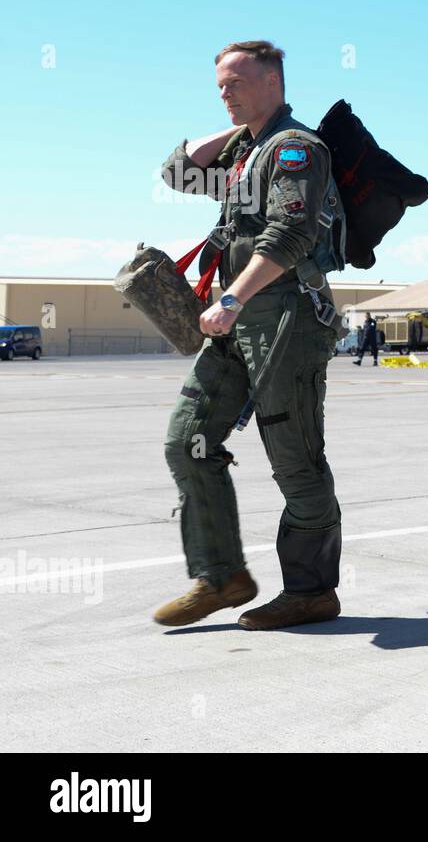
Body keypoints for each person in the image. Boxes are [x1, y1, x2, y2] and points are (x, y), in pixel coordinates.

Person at [153, 40, 345, 631]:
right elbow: (176, 173)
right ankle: (221, 576)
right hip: (236, 322)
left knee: (294, 459)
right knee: (188, 442)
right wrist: (234, 126)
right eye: (219, 85)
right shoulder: (247, 153)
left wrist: (233, 298)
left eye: (236, 81)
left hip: (284, 314)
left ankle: (312, 591)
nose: (225, 91)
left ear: (274, 81)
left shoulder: (296, 150)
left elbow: (289, 236)